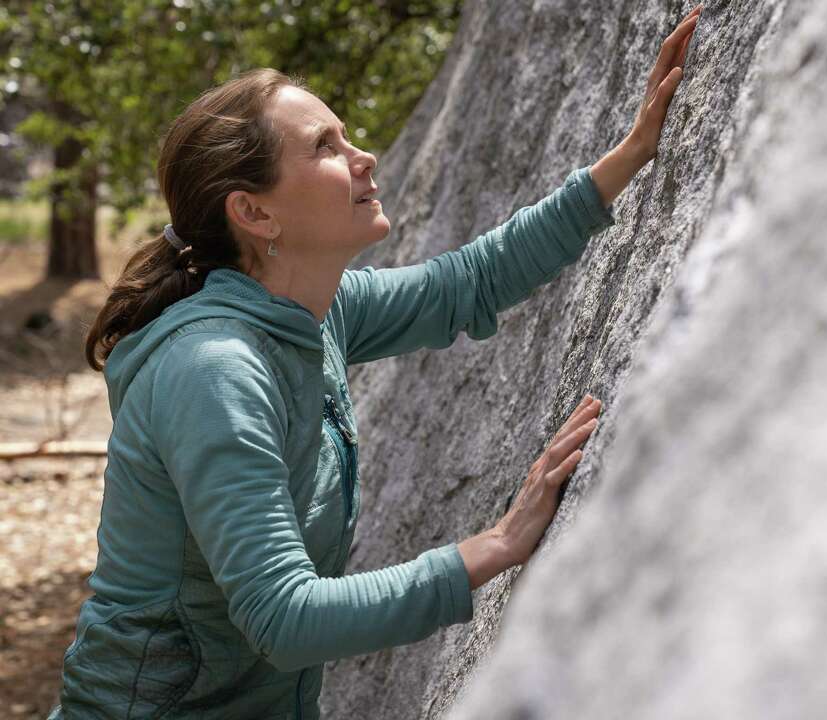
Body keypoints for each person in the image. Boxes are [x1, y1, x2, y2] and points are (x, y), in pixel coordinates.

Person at [49, 5, 703, 718]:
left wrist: (631, 154)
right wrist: (495, 545)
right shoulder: (214, 372)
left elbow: (467, 284)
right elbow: (284, 618)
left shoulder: (310, 312)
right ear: (255, 214)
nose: (364, 158)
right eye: (326, 147)